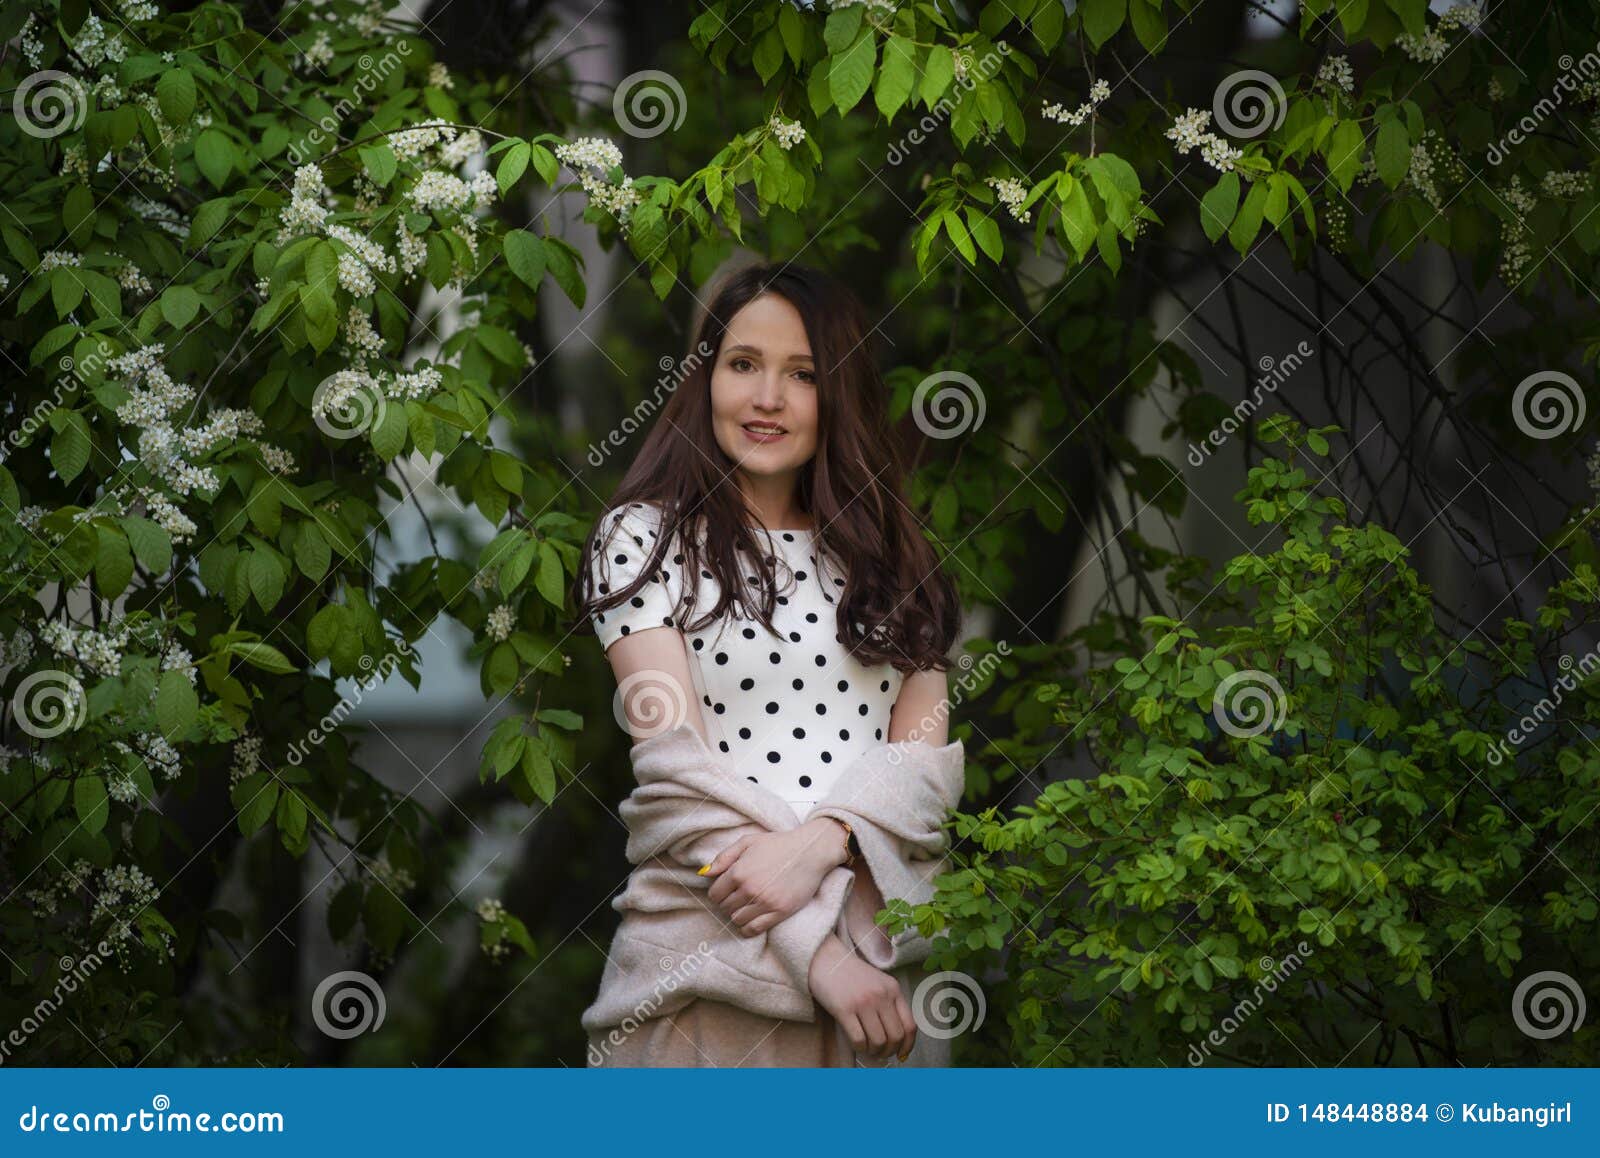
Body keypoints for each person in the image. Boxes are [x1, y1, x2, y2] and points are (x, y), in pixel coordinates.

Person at [576, 261, 961, 1066]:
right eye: (742, 364)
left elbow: (921, 780)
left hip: (883, 988)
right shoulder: (642, 543)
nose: (766, 399)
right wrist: (819, 961)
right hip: (707, 980)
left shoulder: (895, 558)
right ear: (703, 376)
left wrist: (824, 841)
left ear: (840, 394)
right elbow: (679, 786)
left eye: (803, 375)